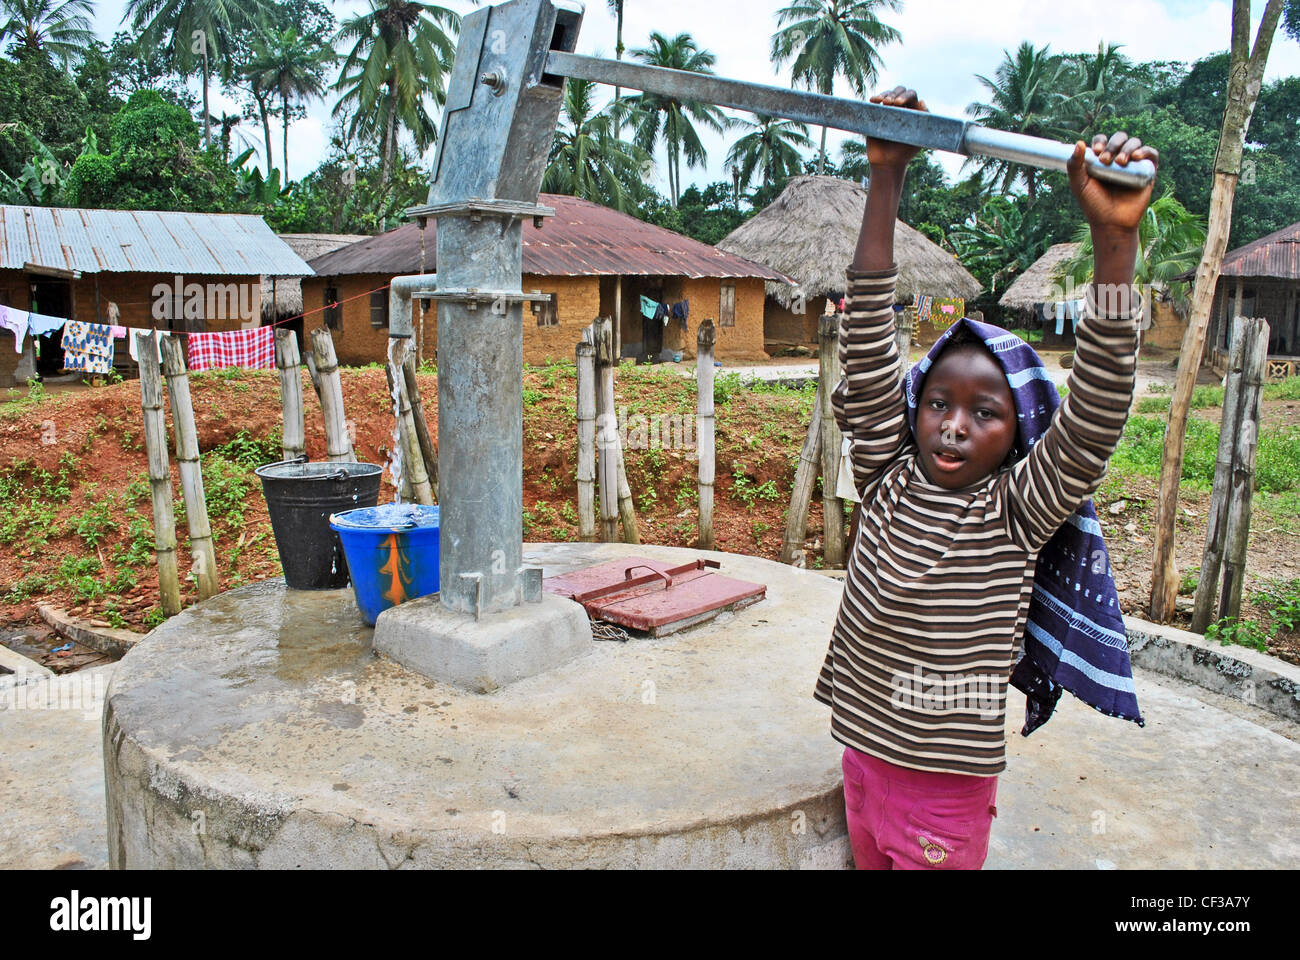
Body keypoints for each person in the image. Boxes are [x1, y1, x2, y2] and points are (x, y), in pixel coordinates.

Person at [814, 86, 1158, 870]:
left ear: (1020, 436)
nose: (955, 423)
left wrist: (1113, 246)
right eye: (939, 402)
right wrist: (886, 178)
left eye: (984, 412)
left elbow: (1099, 406)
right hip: (860, 758)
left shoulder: (1015, 510)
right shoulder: (886, 475)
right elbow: (868, 336)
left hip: (944, 790)